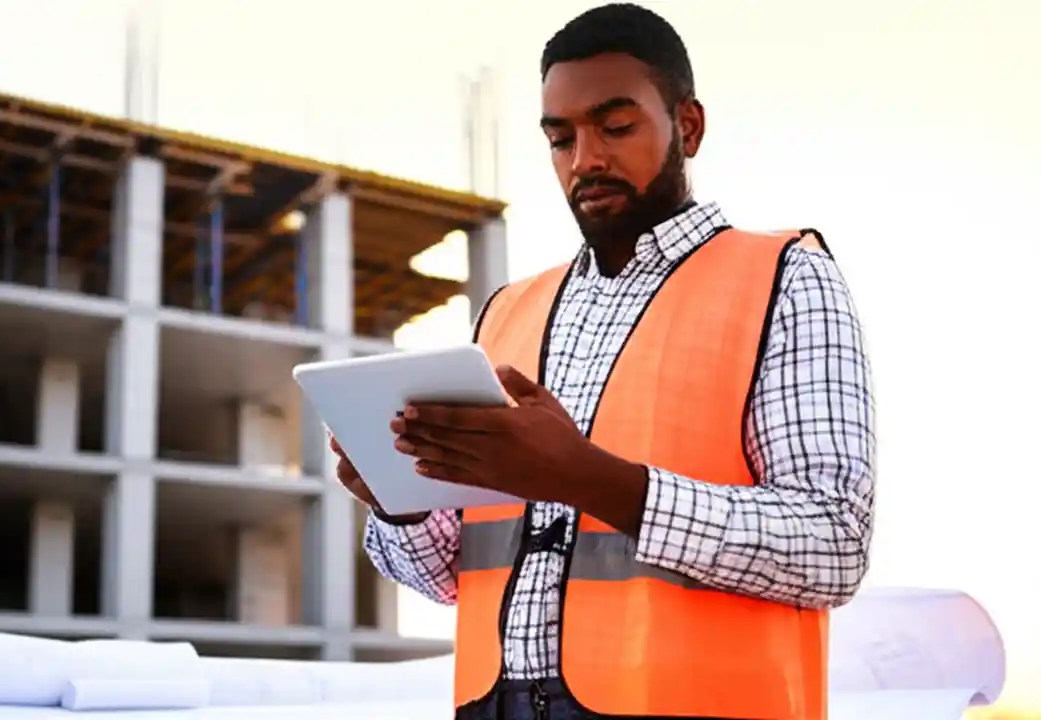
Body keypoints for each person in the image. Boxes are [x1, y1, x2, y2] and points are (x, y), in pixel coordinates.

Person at [332, 4, 875, 719]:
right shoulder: (506, 313)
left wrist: (588, 479)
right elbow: (446, 578)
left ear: (688, 127)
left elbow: (834, 545)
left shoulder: (785, 278)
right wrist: (398, 500)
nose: (585, 159)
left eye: (615, 127)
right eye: (560, 139)